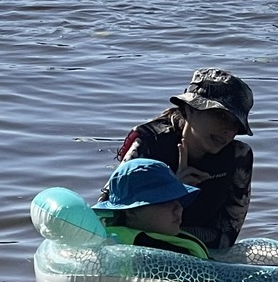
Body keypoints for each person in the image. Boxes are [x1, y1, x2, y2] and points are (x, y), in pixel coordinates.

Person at [106, 68, 254, 252]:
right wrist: (171, 190)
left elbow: (228, 236)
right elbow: (108, 217)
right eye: (220, 115)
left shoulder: (239, 157)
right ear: (189, 109)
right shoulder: (150, 142)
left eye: (235, 123)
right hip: (142, 247)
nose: (227, 130)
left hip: (199, 251)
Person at [92, 158, 209, 259]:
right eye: (165, 201)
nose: (179, 208)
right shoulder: (168, 255)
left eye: (178, 199)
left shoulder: (100, 241)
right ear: (131, 211)